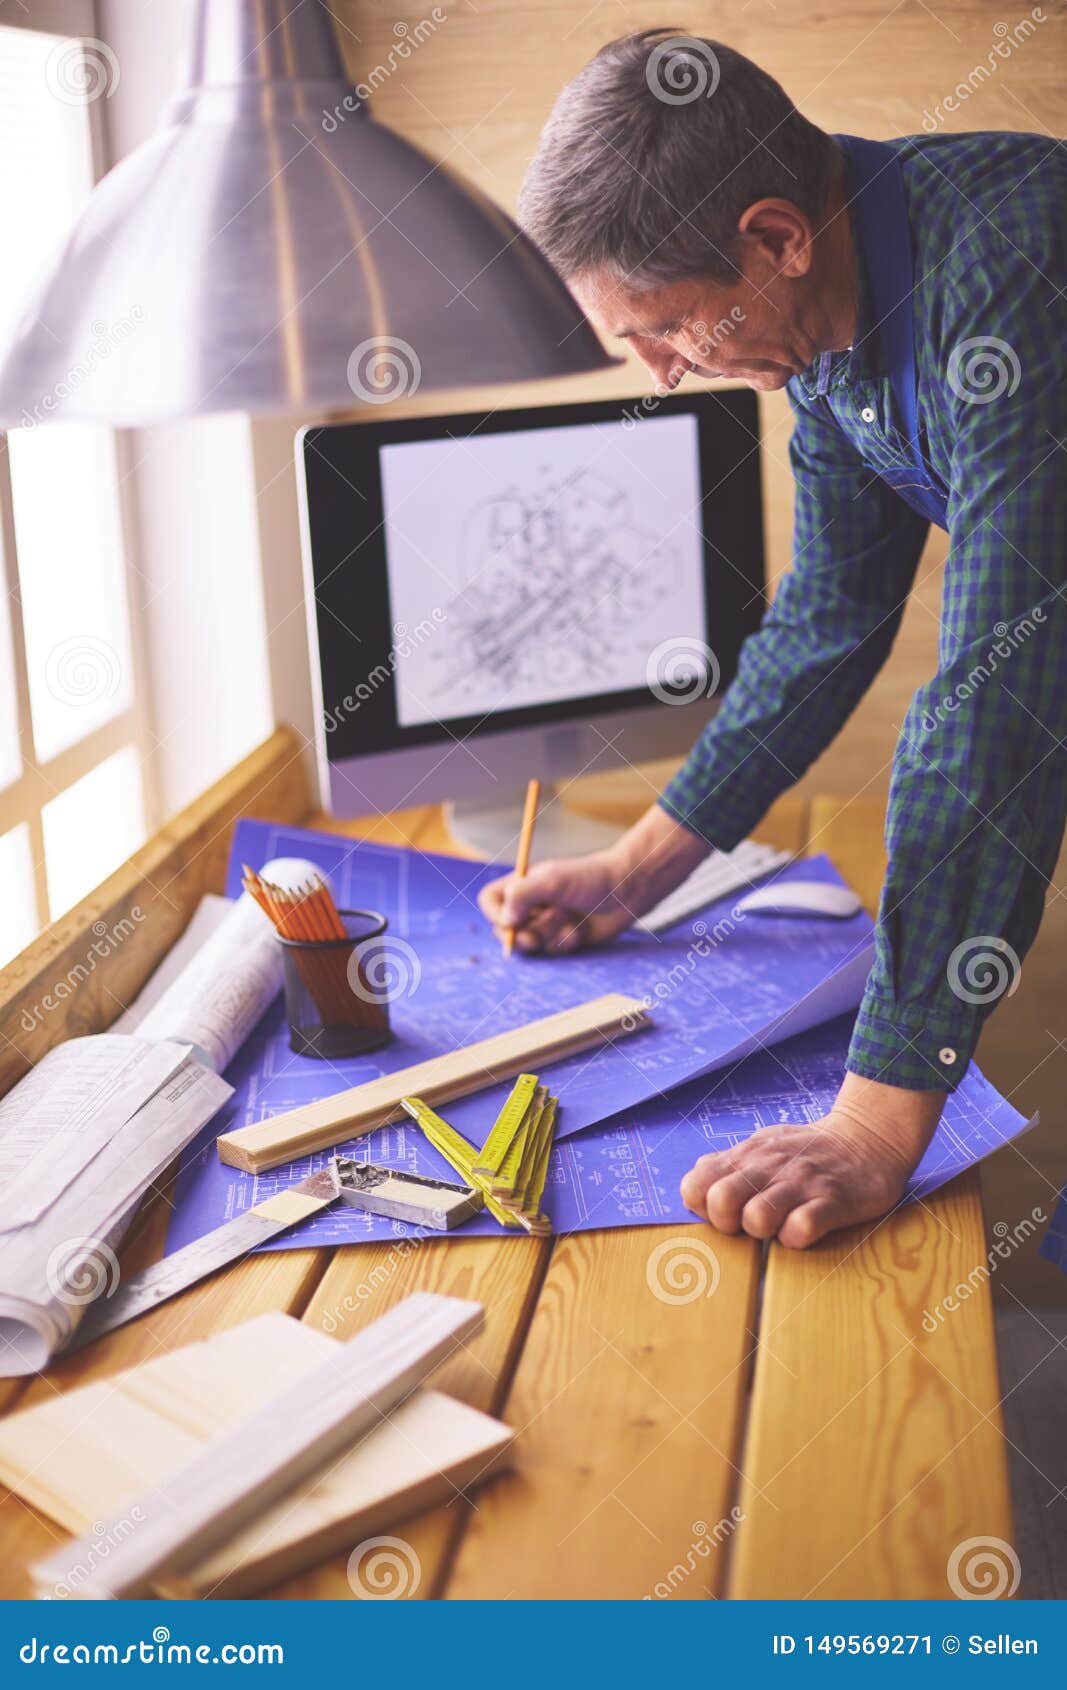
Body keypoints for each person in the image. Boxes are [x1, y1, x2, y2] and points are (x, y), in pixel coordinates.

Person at [478, 30, 1066, 1248]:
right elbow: (828, 616)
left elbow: (993, 705)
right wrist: (635, 872)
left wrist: (870, 1121)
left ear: (775, 238)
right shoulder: (818, 328)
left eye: (666, 328)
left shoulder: (1012, 272)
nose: (660, 371)